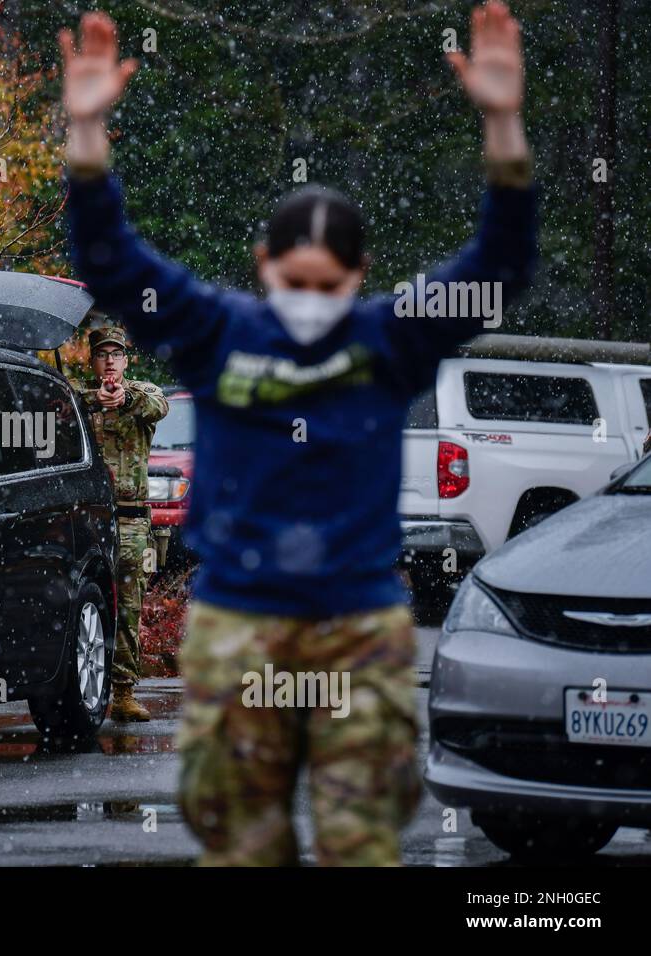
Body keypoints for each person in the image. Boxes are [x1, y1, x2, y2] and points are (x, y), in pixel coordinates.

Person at [59, 1, 537, 864]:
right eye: (293, 277)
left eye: (328, 281)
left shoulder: (389, 338)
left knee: (359, 843)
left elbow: (499, 268)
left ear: (358, 276)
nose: (310, 295)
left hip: (357, 623)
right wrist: (88, 138)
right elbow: (110, 261)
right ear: (264, 266)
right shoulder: (219, 331)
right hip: (242, 620)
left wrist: (502, 123)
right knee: (244, 842)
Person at [74, 325, 169, 721]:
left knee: (128, 604)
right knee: (84, 602)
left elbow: (156, 407)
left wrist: (122, 397)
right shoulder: (79, 398)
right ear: (93, 360)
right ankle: (80, 688)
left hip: (129, 520)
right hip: (87, 517)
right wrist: (94, 402)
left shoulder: (144, 394)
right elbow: (55, 407)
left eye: (116, 354)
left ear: (127, 360)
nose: (110, 360)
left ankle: (124, 690)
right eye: (102, 354)